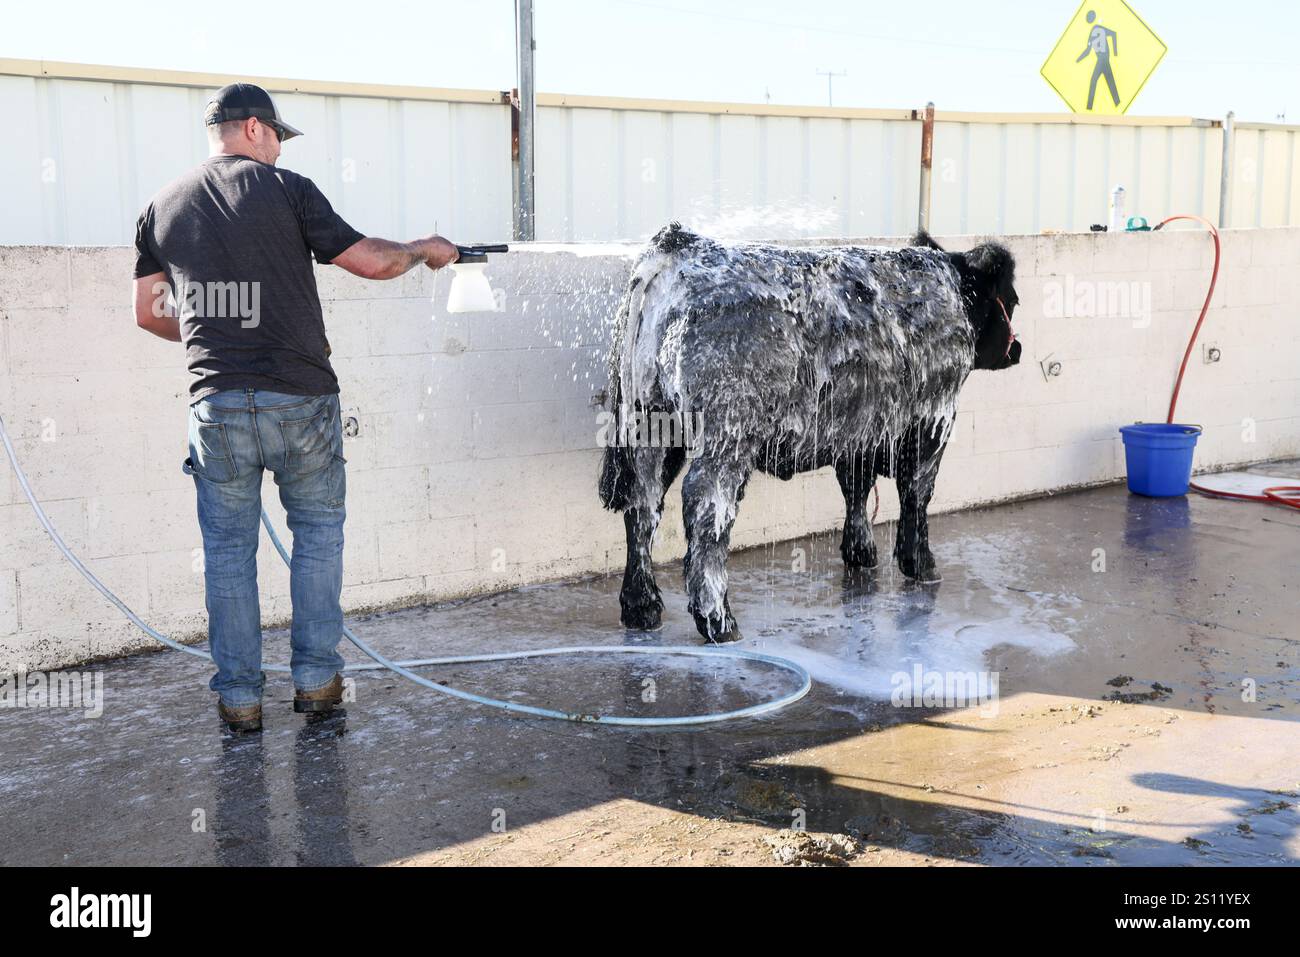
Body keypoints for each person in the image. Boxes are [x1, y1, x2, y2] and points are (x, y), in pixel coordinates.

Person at [132, 83, 459, 732]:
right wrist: (424, 250)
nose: (280, 147)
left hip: (217, 404)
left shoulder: (160, 206)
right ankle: (316, 684)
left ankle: (240, 700)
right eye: (277, 134)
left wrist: (211, 329)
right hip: (301, 399)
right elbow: (369, 262)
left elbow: (150, 313)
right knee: (317, 537)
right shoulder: (287, 190)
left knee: (227, 554)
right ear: (253, 128)